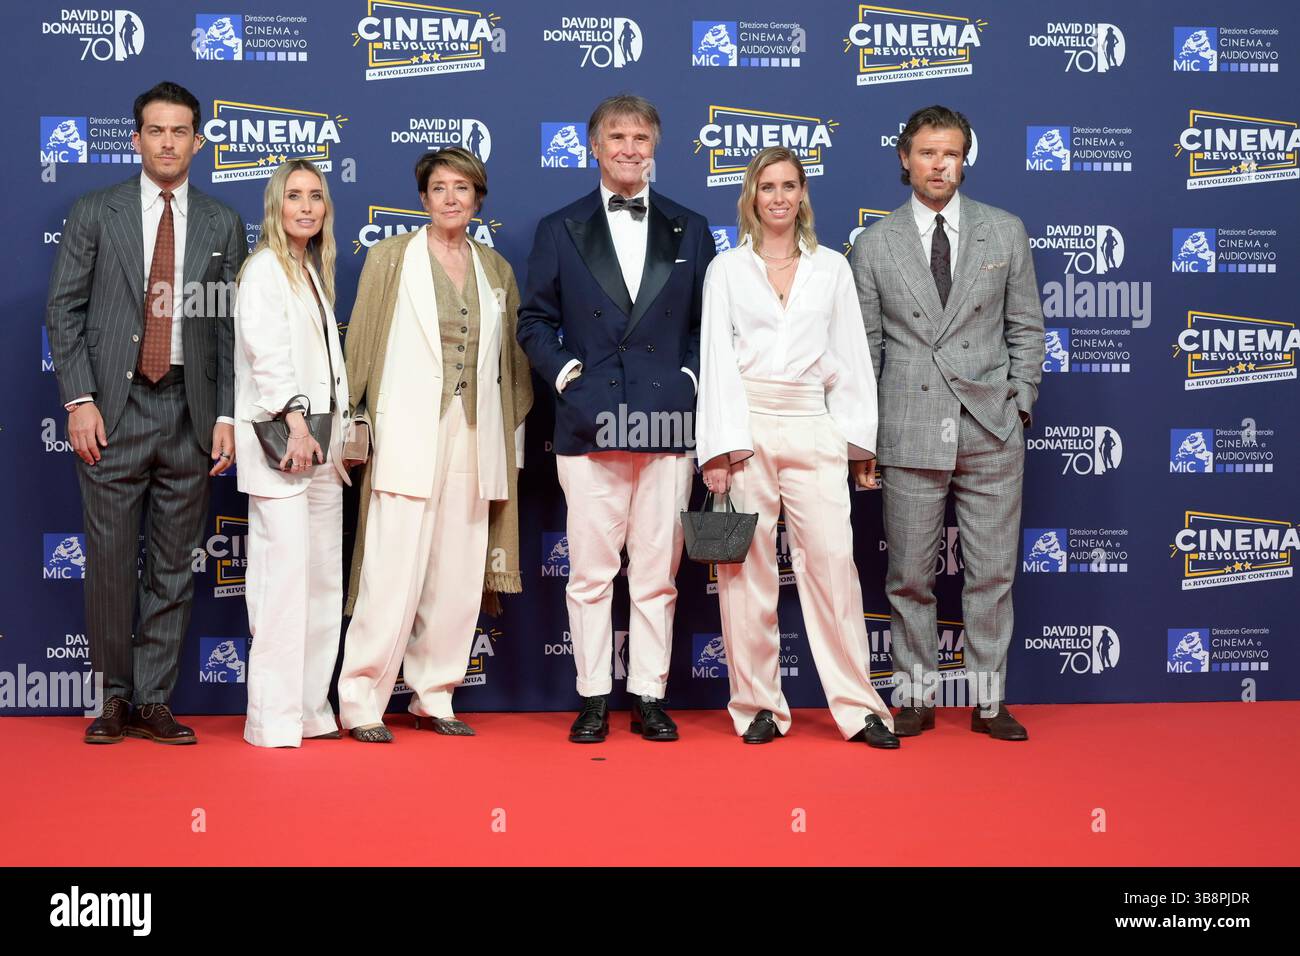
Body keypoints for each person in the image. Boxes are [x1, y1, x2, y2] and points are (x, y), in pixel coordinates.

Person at [45, 81, 245, 745]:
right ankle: (112, 699)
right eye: (155, 130)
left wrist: (225, 415)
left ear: (197, 140)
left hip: (189, 411)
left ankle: (154, 700)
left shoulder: (221, 222)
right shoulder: (95, 212)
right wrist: (79, 400)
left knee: (171, 564)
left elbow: (226, 332)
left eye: (180, 130)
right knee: (107, 562)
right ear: (136, 139)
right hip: (114, 412)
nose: (167, 142)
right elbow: (64, 310)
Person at [518, 94, 714, 743]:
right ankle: (594, 696)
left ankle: (650, 695)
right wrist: (570, 376)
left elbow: (703, 327)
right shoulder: (559, 227)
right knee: (592, 572)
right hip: (588, 420)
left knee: (656, 573)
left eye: (640, 137)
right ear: (593, 147)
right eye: (616, 137)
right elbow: (535, 321)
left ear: (655, 146)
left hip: (666, 422)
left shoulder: (691, 226)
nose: (629, 148)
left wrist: (687, 378)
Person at [848, 105, 1045, 741]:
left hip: (991, 429)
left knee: (991, 574)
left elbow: (1026, 329)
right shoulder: (873, 245)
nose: (941, 164)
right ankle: (915, 697)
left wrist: (1019, 401)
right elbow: (867, 351)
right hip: (908, 430)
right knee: (910, 578)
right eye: (929, 153)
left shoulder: (1005, 232)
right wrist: (866, 437)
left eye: (952, 153)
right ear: (905, 157)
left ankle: (990, 703)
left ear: (966, 158)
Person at [696, 147, 898, 749]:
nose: (779, 197)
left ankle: (861, 709)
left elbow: (853, 360)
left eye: (789, 186)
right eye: (767, 187)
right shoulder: (726, 270)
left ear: (803, 194)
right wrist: (718, 449)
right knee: (746, 574)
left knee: (835, 567)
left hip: (814, 423)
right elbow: (715, 360)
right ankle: (757, 705)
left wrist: (861, 444)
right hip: (748, 428)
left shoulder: (833, 268)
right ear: (751, 197)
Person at [339, 147, 532, 743]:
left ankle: (435, 692)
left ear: (478, 200)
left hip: (476, 432)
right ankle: (362, 700)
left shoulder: (495, 268)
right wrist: (352, 422)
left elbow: (514, 364)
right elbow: (364, 343)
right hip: (406, 429)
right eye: (440, 188)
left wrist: (510, 434)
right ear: (423, 199)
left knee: (458, 567)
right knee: (391, 569)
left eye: (463, 188)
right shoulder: (390, 257)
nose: (452, 198)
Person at [234, 160, 351, 747]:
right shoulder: (262, 270)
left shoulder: (310, 270)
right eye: (294, 196)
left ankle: (309, 710)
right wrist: (298, 425)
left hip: (323, 448)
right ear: (276, 206)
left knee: (322, 583)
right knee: (282, 584)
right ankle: (273, 719)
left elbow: (329, 367)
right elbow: (269, 358)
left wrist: (342, 433)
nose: (306, 207)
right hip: (285, 444)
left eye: (316, 197)